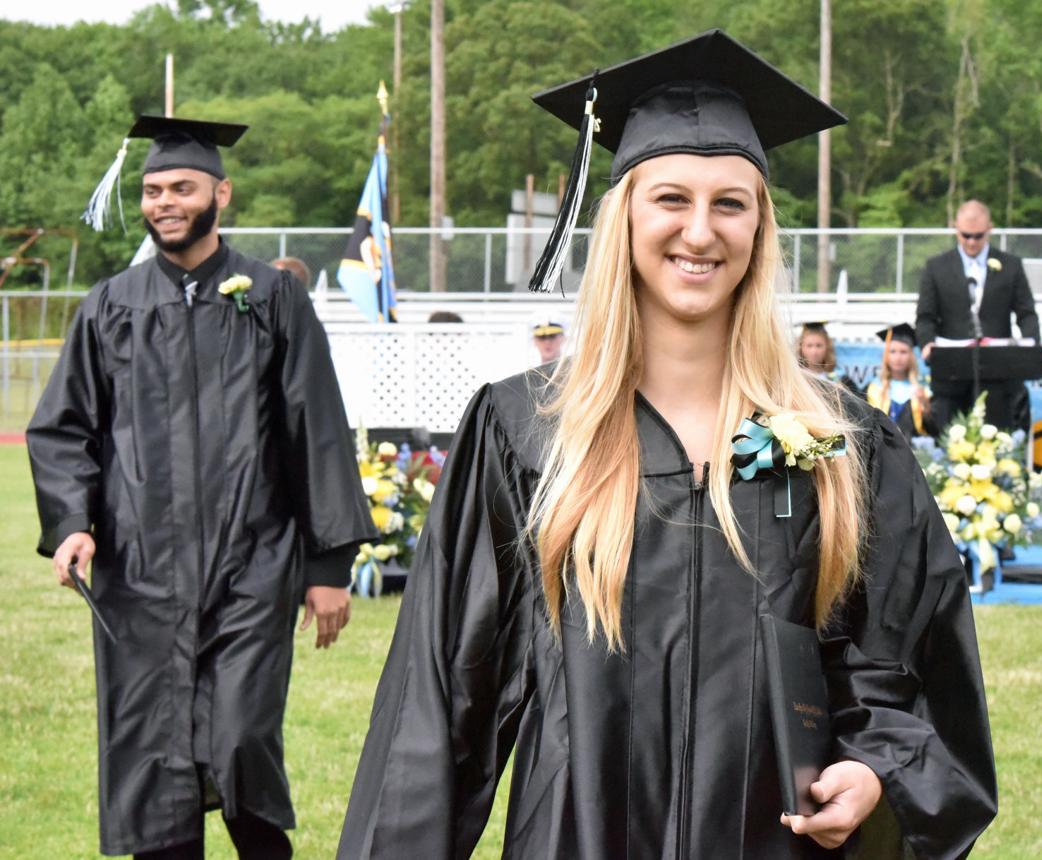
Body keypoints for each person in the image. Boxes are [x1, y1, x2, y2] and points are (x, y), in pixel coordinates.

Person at [338, 31, 995, 860]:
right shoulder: (527, 431)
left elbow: (906, 656)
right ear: (624, 217)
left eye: (731, 202)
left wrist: (876, 769)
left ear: (760, 226)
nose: (700, 230)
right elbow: (441, 699)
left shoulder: (843, 442)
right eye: (671, 198)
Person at [26, 115, 376, 859]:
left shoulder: (273, 300)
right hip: (140, 571)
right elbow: (63, 428)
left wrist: (327, 568)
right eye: (152, 190)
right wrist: (71, 523)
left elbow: (314, 427)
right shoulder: (111, 306)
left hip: (253, 564)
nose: (164, 202)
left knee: (242, 736)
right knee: (156, 751)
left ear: (221, 192)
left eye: (181, 187)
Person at [916, 200, 1039, 431]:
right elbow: (925, 316)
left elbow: (1026, 313)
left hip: (998, 373)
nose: (971, 242)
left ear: (989, 229)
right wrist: (927, 343)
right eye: (965, 235)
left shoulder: (1011, 265)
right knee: (951, 437)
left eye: (978, 236)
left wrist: (1030, 344)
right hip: (951, 373)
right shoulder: (936, 267)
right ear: (956, 228)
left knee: (997, 436)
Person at [866, 323, 934, 441]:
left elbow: (933, 429)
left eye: (903, 352)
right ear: (886, 356)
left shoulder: (923, 389)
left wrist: (926, 405)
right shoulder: (875, 388)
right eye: (892, 351)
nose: (898, 357)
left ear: (912, 356)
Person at [796, 320, 860, 396]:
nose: (814, 351)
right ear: (801, 348)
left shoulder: (841, 379)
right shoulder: (796, 377)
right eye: (809, 346)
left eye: (819, 345)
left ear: (827, 347)